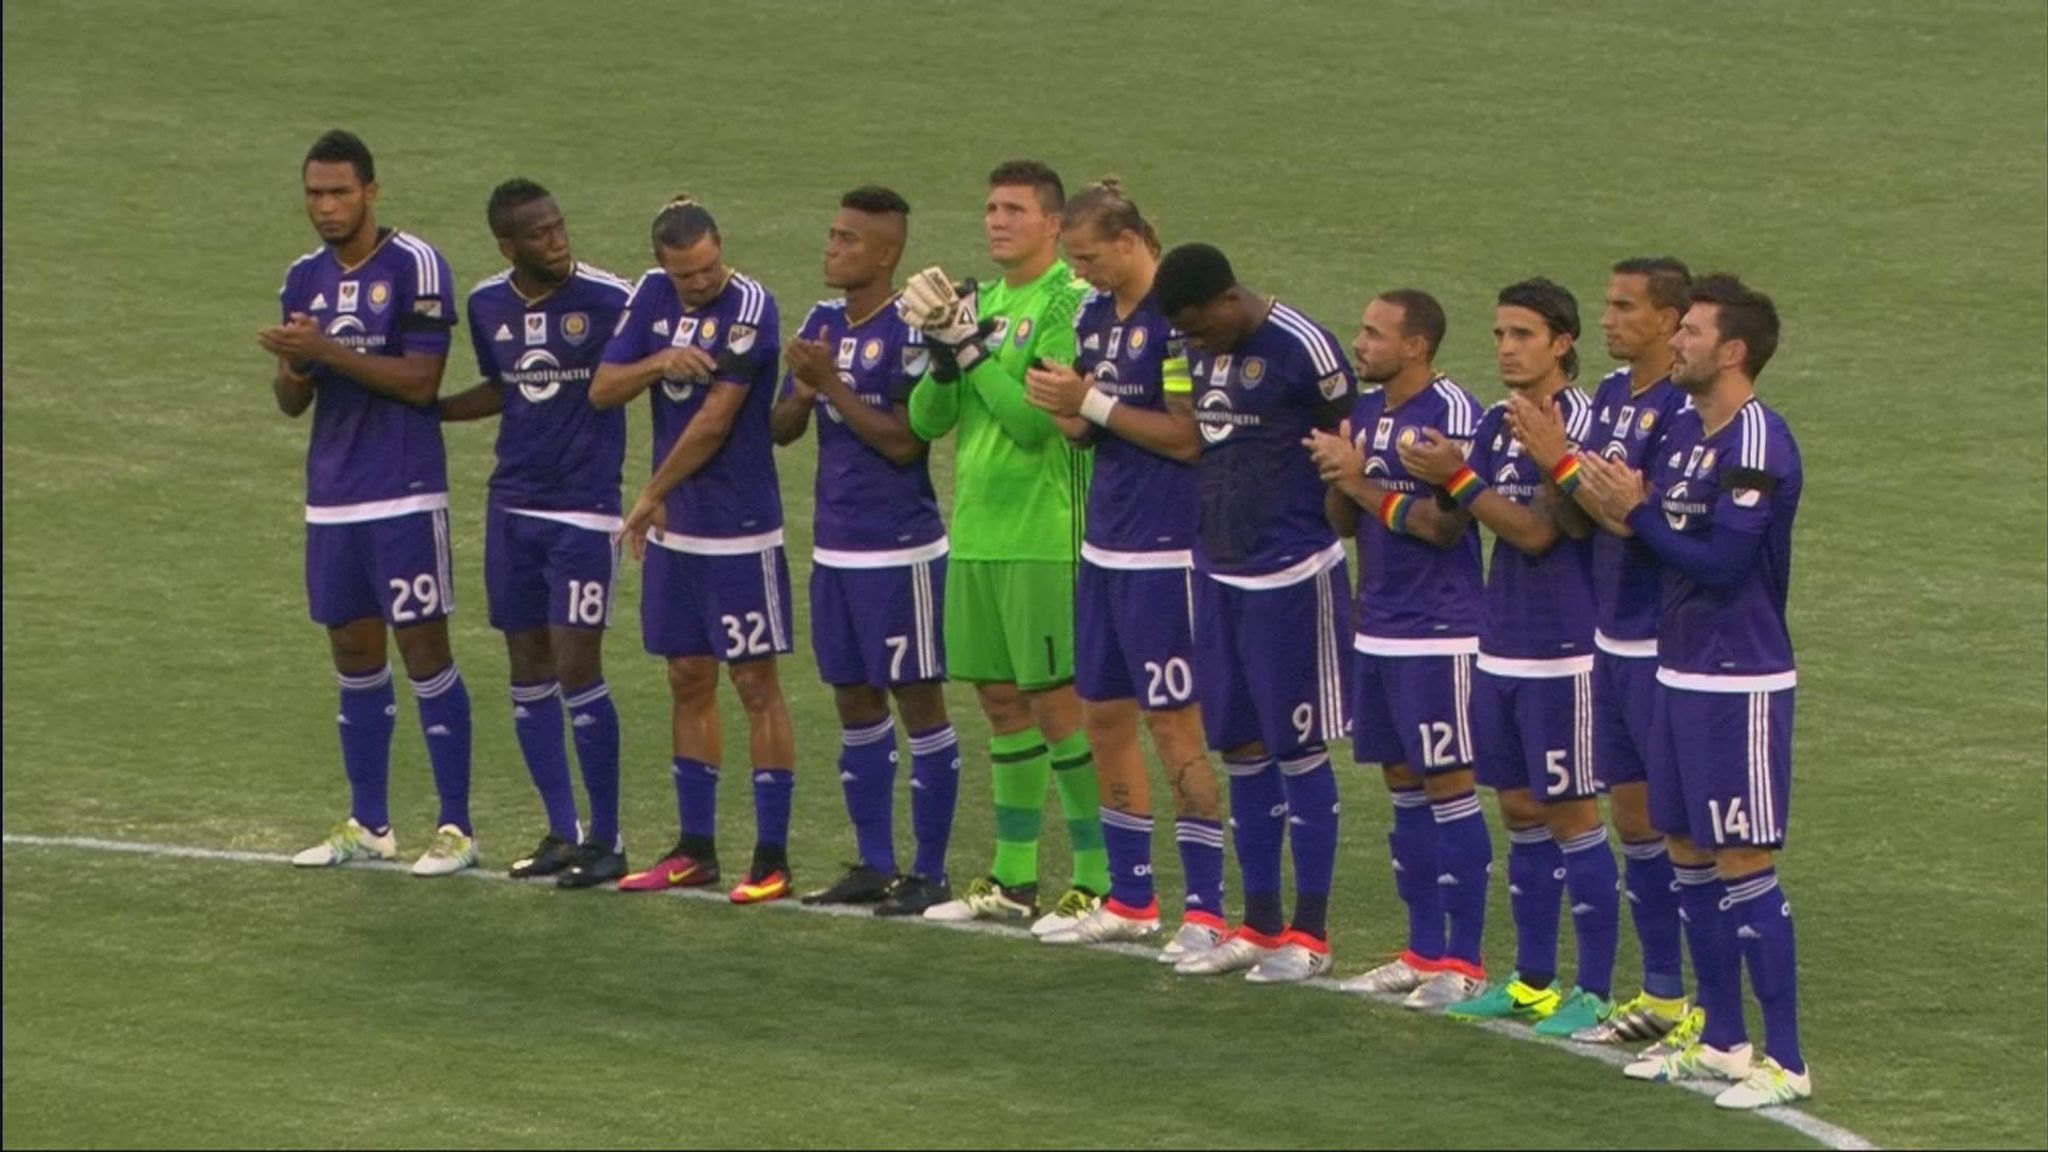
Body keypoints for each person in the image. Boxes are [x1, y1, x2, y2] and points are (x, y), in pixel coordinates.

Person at [1577, 274, 1810, 1108]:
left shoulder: (1759, 441)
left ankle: (1785, 1059)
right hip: (1675, 671)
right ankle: (1723, 1040)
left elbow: (1720, 564)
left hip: (1739, 680)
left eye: (1695, 333)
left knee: (1744, 860)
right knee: (1687, 856)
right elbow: (1650, 534)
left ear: (1734, 351)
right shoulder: (1684, 441)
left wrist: (1637, 516)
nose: (1677, 342)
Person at [896, 161, 1109, 934]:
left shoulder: (1068, 303)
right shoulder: (976, 303)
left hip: (1046, 536)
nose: (996, 222)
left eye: (1014, 210)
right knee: (1000, 703)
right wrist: (946, 350)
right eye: (990, 208)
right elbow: (925, 422)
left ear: (1053, 224)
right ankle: (1014, 879)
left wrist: (973, 349)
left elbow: (1034, 423)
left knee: (1058, 703)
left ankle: (1096, 876)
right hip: (979, 532)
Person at [1397, 279, 1615, 1032]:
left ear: (1563, 342)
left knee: (1572, 813)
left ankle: (1593, 988)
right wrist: (1378, 477)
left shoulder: (1582, 424)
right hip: (1502, 646)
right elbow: (1449, 524)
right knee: (1520, 810)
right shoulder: (1493, 423)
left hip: (1566, 649)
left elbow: (1536, 532)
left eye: (1522, 334)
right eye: (1498, 335)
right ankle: (1532, 980)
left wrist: (1455, 476)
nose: (1506, 348)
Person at [262, 130, 476, 878]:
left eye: (339, 193)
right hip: (333, 497)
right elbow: (293, 401)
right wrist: (295, 363)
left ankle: (455, 826)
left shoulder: (416, 265)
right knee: (353, 652)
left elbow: (421, 381)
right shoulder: (302, 277)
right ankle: (371, 823)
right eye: (315, 193)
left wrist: (327, 353)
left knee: (425, 650)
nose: (325, 207)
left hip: (405, 491)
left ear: (371, 192)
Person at [1022, 181, 1226, 962]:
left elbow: (1186, 437)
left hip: (1168, 552)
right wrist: (1061, 405)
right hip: (1104, 545)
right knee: (1104, 714)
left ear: (1134, 238)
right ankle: (1133, 898)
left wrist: (1092, 405)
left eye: (1090, 256)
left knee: (1176, 723)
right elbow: (1084, 428)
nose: (1084, 272)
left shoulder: (1179, 323)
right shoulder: (1091, 316)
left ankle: (1205, 910)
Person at [1152, 243, 1354, 984]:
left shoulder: (1305, 348)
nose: (1195, 343)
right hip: (1219, 572)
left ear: (1230, 299)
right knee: (1239, 747)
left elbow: (1346, 447)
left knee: (1298, 749)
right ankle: (1260, 923)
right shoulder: (1199, 344)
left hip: (1292, 574)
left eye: (1201, 328)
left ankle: (1312, 931)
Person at [1504, 257, 1694, 1041]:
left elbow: (1630, 518)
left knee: (1669, 824)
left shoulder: (1682, 409)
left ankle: (1688, 1001)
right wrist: (1565, 473)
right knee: (1633, 819)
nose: (1609, 319)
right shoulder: (1612, 400)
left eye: (1625, 307)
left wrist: (1559, 463)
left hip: (1663, 640)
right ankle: (1657, 997)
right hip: (1609, 635)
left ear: (1669, 322)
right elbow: (1584, 518)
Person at [591, 197, 798, 904]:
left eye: (710, 267)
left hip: (740, 529)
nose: (703, 281)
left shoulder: (752, 308)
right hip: (680, 533)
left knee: (754, 682)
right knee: (686, 674)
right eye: (688, 274)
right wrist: (658, 360)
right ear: (663, 266)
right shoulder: (651, 298)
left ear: (722, 250)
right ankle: (695, 849)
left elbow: (715, 422)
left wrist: (649, 495)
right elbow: (602, 388)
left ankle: (771, 858)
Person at [769, 186, 962, 916]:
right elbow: (783, 429)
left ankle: (931, 870)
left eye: (848, 239)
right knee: (854, 703)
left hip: (901, 551)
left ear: (887, 255)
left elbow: (905, 441)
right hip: (836, 552)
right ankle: (874, 863)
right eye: (832, 234)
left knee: (920, 702)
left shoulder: (913, 330)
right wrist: (799, 386)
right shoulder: (822, 321)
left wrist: (831, 383)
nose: (832, 247)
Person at [438, 179, 634, 887]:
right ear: (508, 245)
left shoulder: (612, 299)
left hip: (584, 511)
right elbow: (504, 385)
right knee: (526, 663)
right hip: (511, 507)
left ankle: (609, 838)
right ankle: (563, 828)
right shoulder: (488, 303)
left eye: (559, 226)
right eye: (540, 233)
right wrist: (430, 412)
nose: (558, 240)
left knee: (578, 664)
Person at [1304, 289, 1492, 1009]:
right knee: (1403, 788)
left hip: (1440, 630)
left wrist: (1359, 479)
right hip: (1377, 624)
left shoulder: (1454, 414)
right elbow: (1345, 524)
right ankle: (1421, 950)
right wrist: (1338, 475)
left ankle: (1464, 959)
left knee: (1448, 785)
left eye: (1376, 334)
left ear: (1417, 345)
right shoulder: (1370, 413)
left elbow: (1445, 526)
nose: (1361, 343)